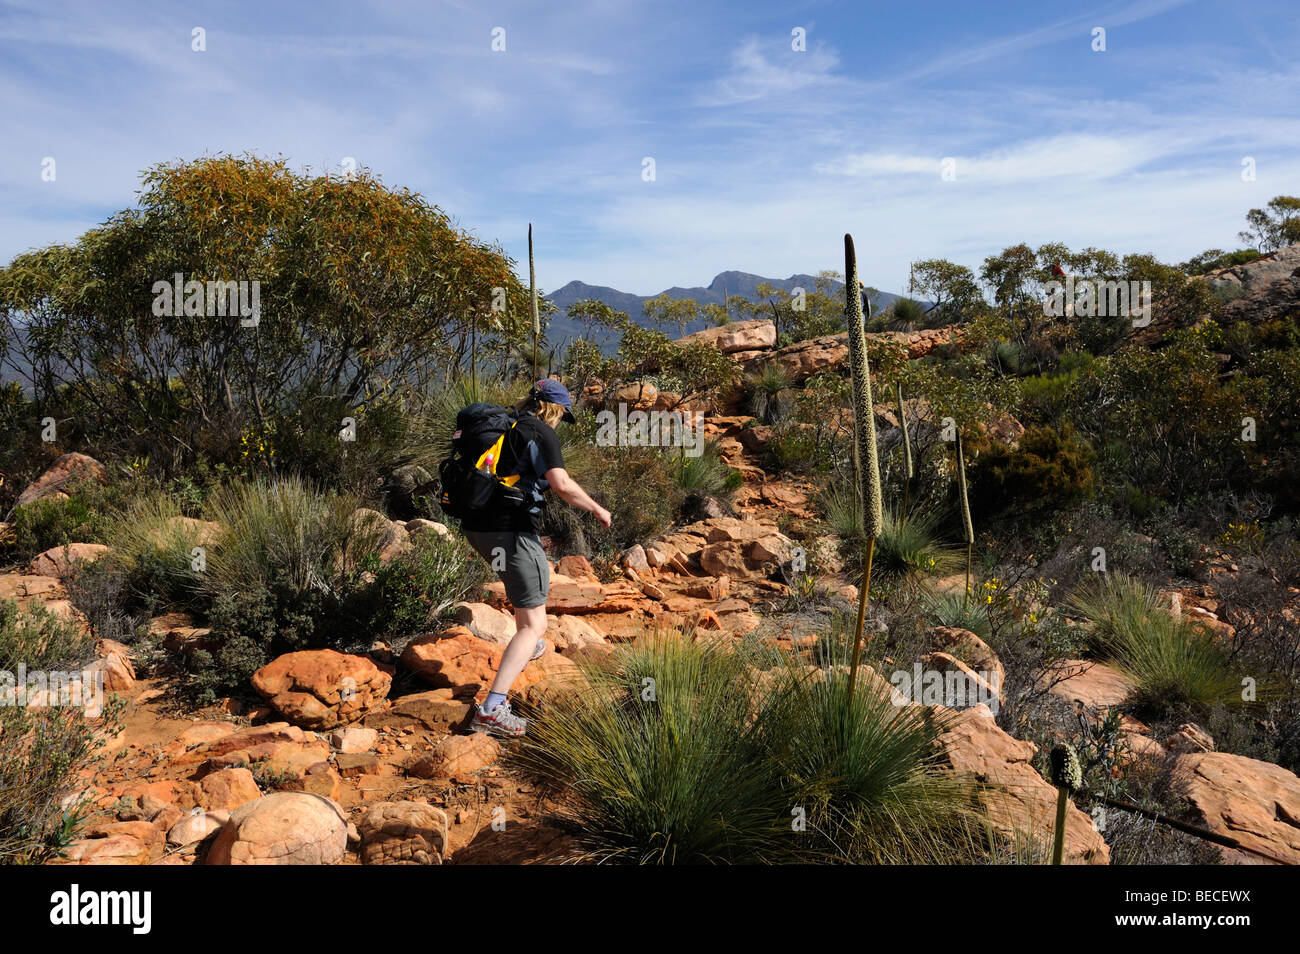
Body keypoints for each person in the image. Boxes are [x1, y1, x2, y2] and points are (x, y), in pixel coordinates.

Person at [460, 378, 611, 737]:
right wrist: (597, 508)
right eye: (562, 416)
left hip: (476, 529)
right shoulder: (540, 432)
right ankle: (492, 709)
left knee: (526, 586)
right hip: (509, 529)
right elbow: (562, 485)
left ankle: (528, 645)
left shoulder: (503, 426)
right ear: (555, 410)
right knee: (533, 623)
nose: (560, 423)